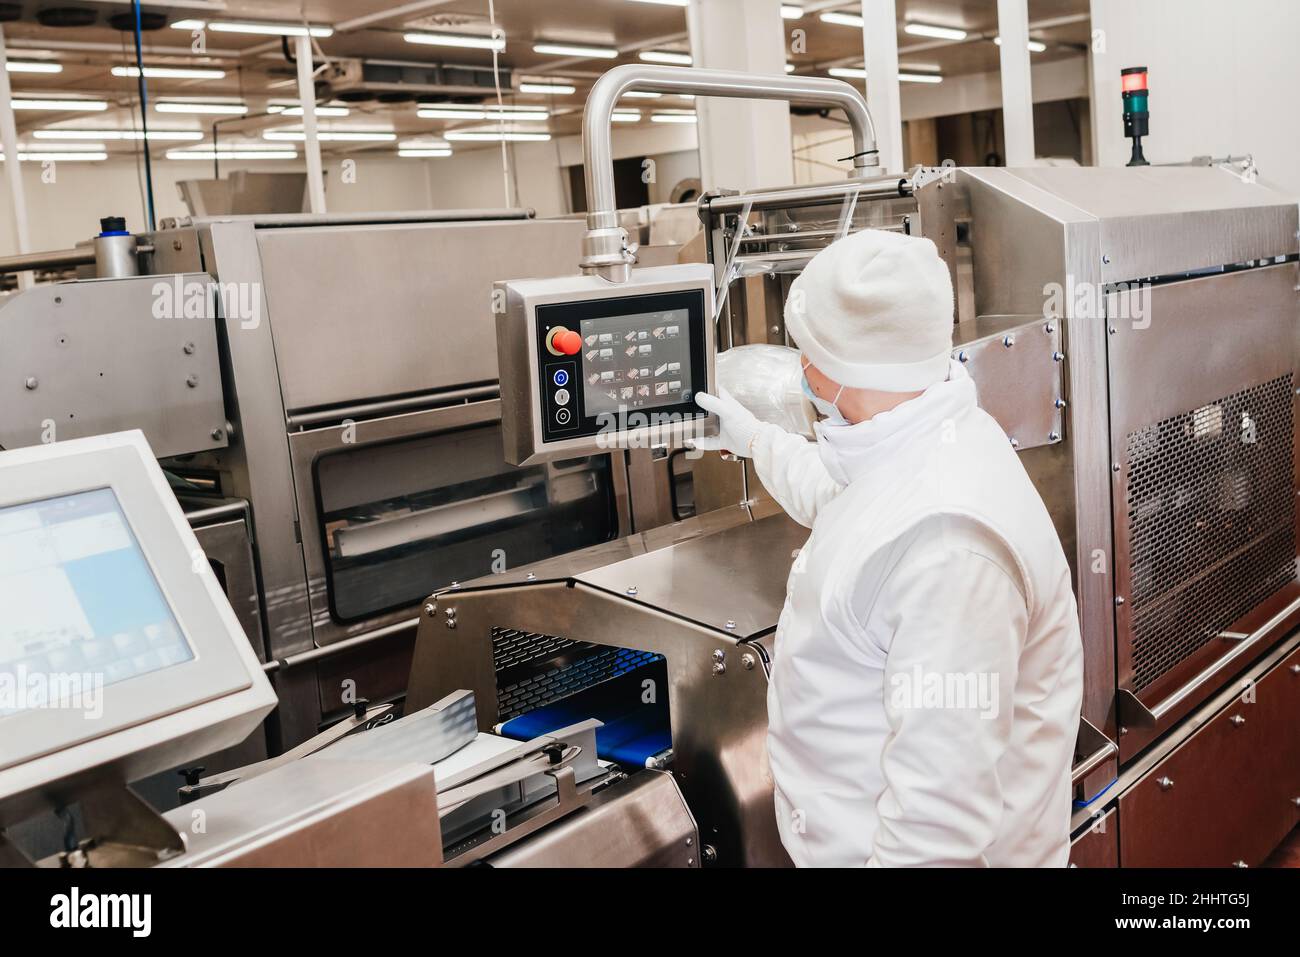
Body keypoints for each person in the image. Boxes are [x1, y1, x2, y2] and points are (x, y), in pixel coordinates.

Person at [692, 228, 1083, 867]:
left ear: (840, 367)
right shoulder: (934, 432)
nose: (799, 369)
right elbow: (848, 501)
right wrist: (756, 440)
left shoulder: (952, 548)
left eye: (803, 352)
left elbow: (937, 830)